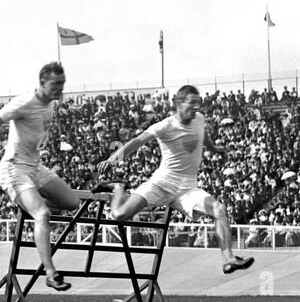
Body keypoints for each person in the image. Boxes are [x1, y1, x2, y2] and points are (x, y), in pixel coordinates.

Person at [97, 85, 254, 275]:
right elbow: (137, 142)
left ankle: (229, 259)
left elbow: (203, 135)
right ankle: (118, 187)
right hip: (162, 183)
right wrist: (112, 160)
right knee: (120, 215)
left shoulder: (199, 119)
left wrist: (215, 149)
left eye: (198, 103)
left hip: (188, 189)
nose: (196, 107)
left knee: (219, 210)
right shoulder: (165, 125)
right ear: (179, 103)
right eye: (192, 103)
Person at [0, 61, 80, 290]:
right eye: (56, 84)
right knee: (43, 213)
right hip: (14, 168)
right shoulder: (25, 102)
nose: (60, 88)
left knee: (72, 202)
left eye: (63, 83)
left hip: (35, 167)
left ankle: (27, 202)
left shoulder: (50, 104)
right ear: (42, 83)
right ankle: (51, 273)